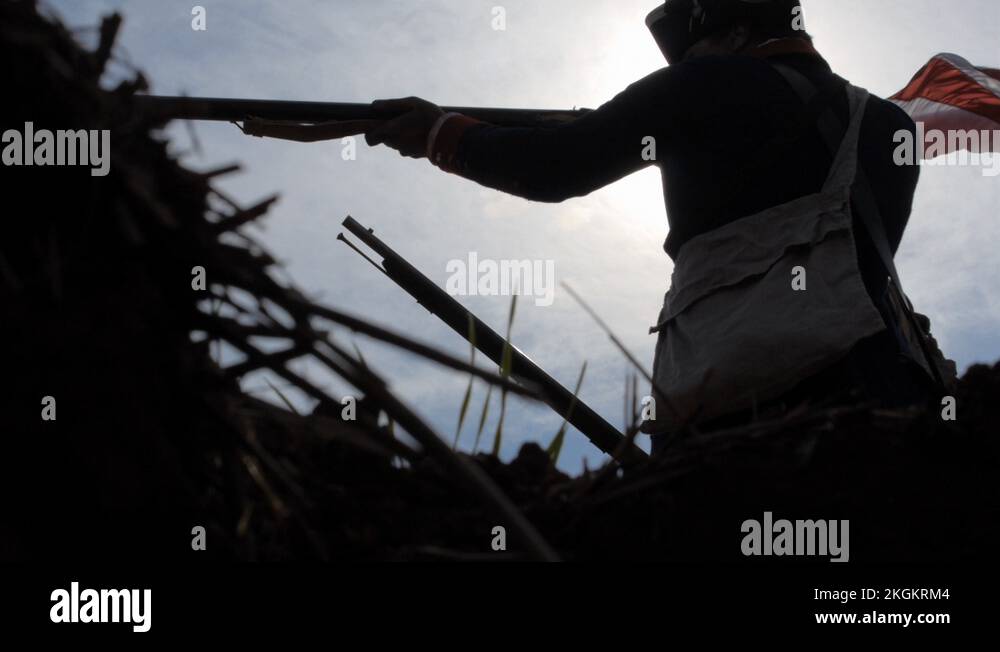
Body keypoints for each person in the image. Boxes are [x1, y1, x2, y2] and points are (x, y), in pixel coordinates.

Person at [364, 0, 950, 453]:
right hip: (893, 386)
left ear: (739, 32)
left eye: (694, 49)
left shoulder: (703, 84)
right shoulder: (890, 124)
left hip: (741, 406)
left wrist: (441, 135)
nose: (686, 64)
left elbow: (557, 166)